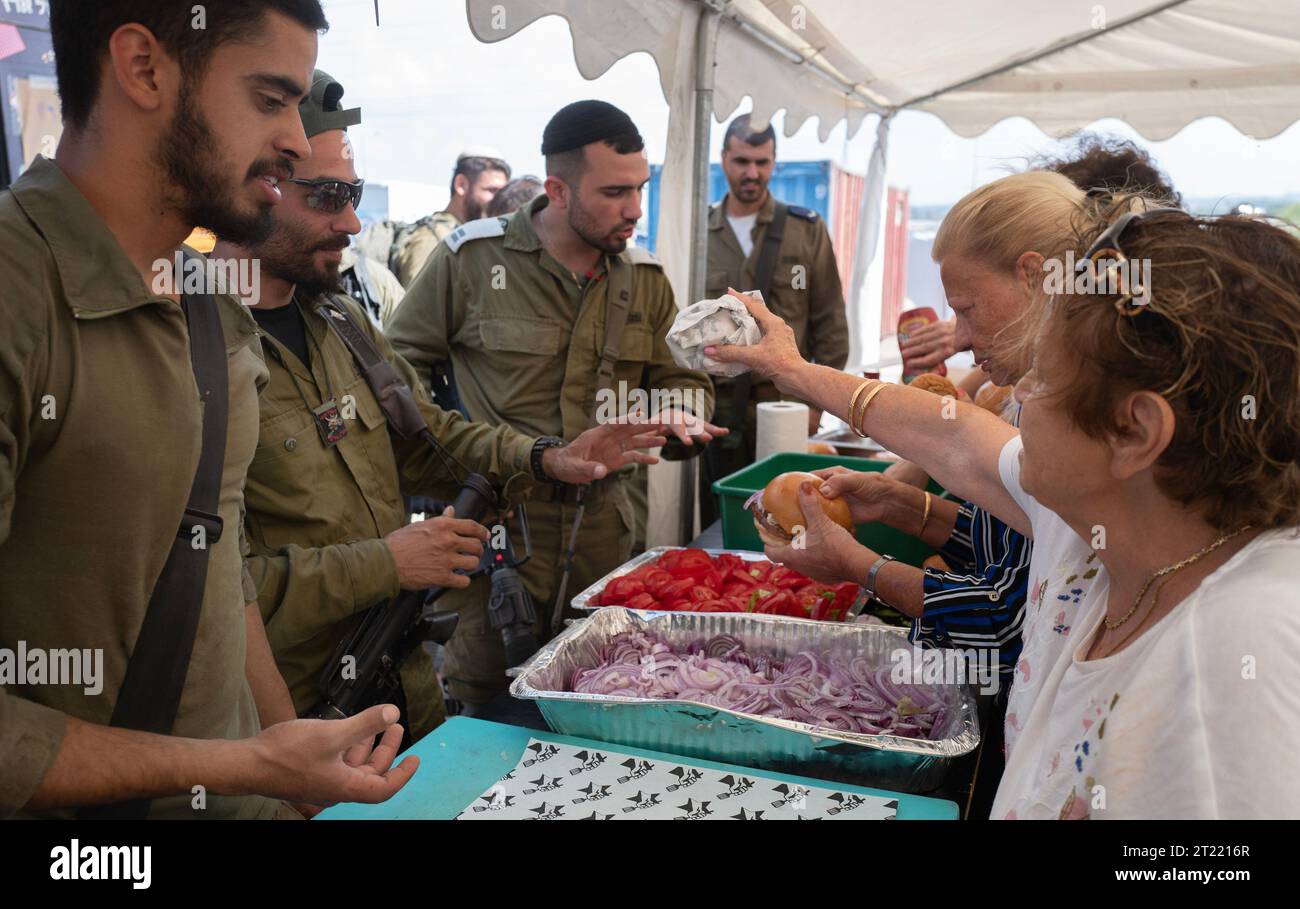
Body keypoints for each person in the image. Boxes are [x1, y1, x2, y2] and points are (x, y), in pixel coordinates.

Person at [710, 200, 1300, 818]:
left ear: (1133, 431)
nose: (1017, 394)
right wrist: (794, 372)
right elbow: (957, 436)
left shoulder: (1231, 658)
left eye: (1045, 377)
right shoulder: (1101, 515)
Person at [1, 0, 419, 820]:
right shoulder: (19, 295)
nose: (298, 140)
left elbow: (214, 568)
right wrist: (237, 764)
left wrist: (284, 755)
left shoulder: (206, 300)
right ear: (143, 68)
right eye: (270, 100)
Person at [214, 72, 668, 744]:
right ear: (253, 185)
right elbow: (214, 588)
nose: (352, 222)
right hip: (288, 716)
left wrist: (548, 458)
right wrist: (388, 562)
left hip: (400, 689)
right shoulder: (192, 349)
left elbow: (427, 438)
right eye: (329, 196)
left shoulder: (338, 321)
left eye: (355, 194)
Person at [387, 99, 723, 714]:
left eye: (641, 189)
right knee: (486, 706)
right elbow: (395, 377)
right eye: (615, 192)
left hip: (604, 531)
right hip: (493, 533)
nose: (636, 210)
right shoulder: (471, 260)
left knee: (605, 696)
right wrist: (446, 459)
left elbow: (685, 382)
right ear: (559, 190)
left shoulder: (645, 280)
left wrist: (675, 417)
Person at [900, 134, 1182, 374]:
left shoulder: (1091, 393)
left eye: (966, 310)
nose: (959, 339)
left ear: (1035, 274)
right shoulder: (1109, 364)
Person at [700, 114, 848, 524]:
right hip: (719, 411)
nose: (752, 172)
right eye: (742, 161)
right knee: (723, 519)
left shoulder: (805, 230)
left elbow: (830, 321)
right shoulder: (698, 233)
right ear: (724, 159)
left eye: (762, 162)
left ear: (774, 161)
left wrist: (817, 403)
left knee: (790, 519)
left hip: (786, 402)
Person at [392, 147, 511, 287]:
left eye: (502, 193)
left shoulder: (467, 235)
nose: (499, 200)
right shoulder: (431, 239)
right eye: (491, 190)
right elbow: (420, 305)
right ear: (461, 185)